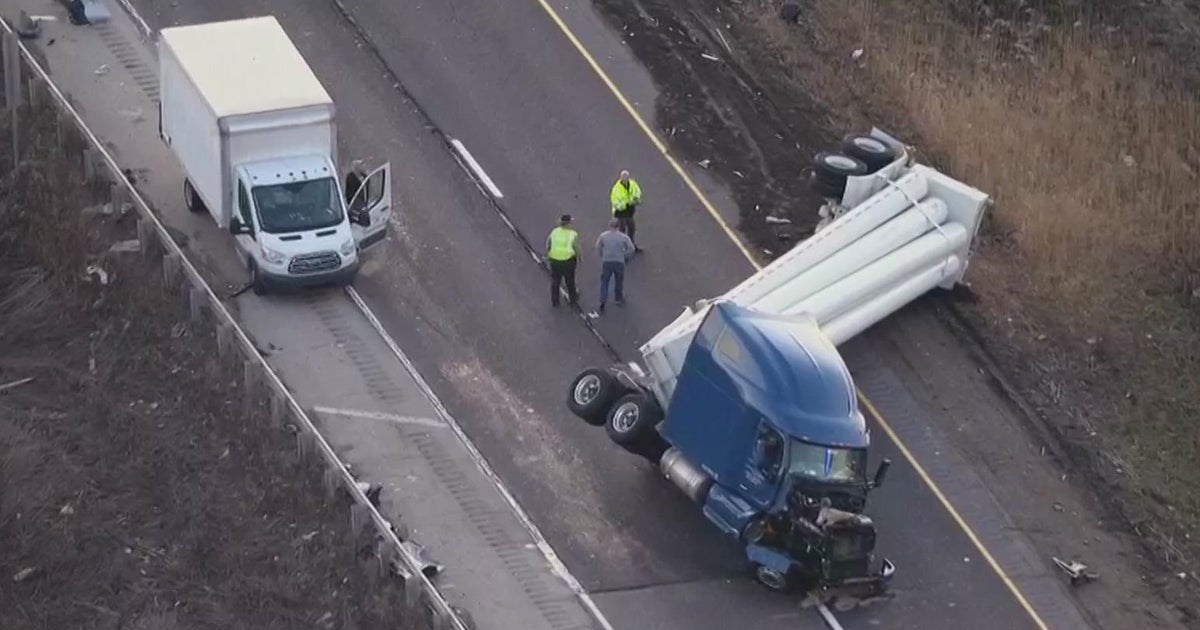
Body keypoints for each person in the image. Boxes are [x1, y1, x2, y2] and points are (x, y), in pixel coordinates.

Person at [595, 218, 634, 312]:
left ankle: (602, 300)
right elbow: (631, 248)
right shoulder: (623, 237)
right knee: (619, 280)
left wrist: (602, 255)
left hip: (607, 261)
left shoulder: (603, 236)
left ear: (610, 226)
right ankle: (618, 298)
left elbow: (598, 246)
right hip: (619, 261)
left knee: (605, 281)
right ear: (618, 226)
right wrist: (625, 256)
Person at [545, 214, 581, 307]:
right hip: (568, 261)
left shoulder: (554, 232)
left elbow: (548, 243)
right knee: (570, 280)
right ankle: (573, 299)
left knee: (555, 280)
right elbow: (576, 247)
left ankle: (555, 301)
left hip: (555, 260)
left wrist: (548, 254)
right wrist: (579, 257)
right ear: (568, 223)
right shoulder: (572, 234)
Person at [609, 169, 643, 251]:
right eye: (624, 179)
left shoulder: (632, 184)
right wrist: (625, 204)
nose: (625, 180)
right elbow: (615, 201)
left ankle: (631, 245)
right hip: (620, 212)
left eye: (626, 178)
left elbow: (637, 192)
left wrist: (636, 199)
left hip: (629, 211)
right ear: (621, 178)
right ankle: (622, 247)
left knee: (632, 227)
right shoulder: (616, 188)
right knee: (622, 229)